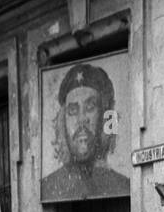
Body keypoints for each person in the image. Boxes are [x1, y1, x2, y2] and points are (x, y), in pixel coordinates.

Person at [40, 63, 130, 202]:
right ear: (63, 121)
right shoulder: (48, 187)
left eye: (90, 107)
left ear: (103, 116)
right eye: (73, 111)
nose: (82, 119)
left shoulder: (122, 186)